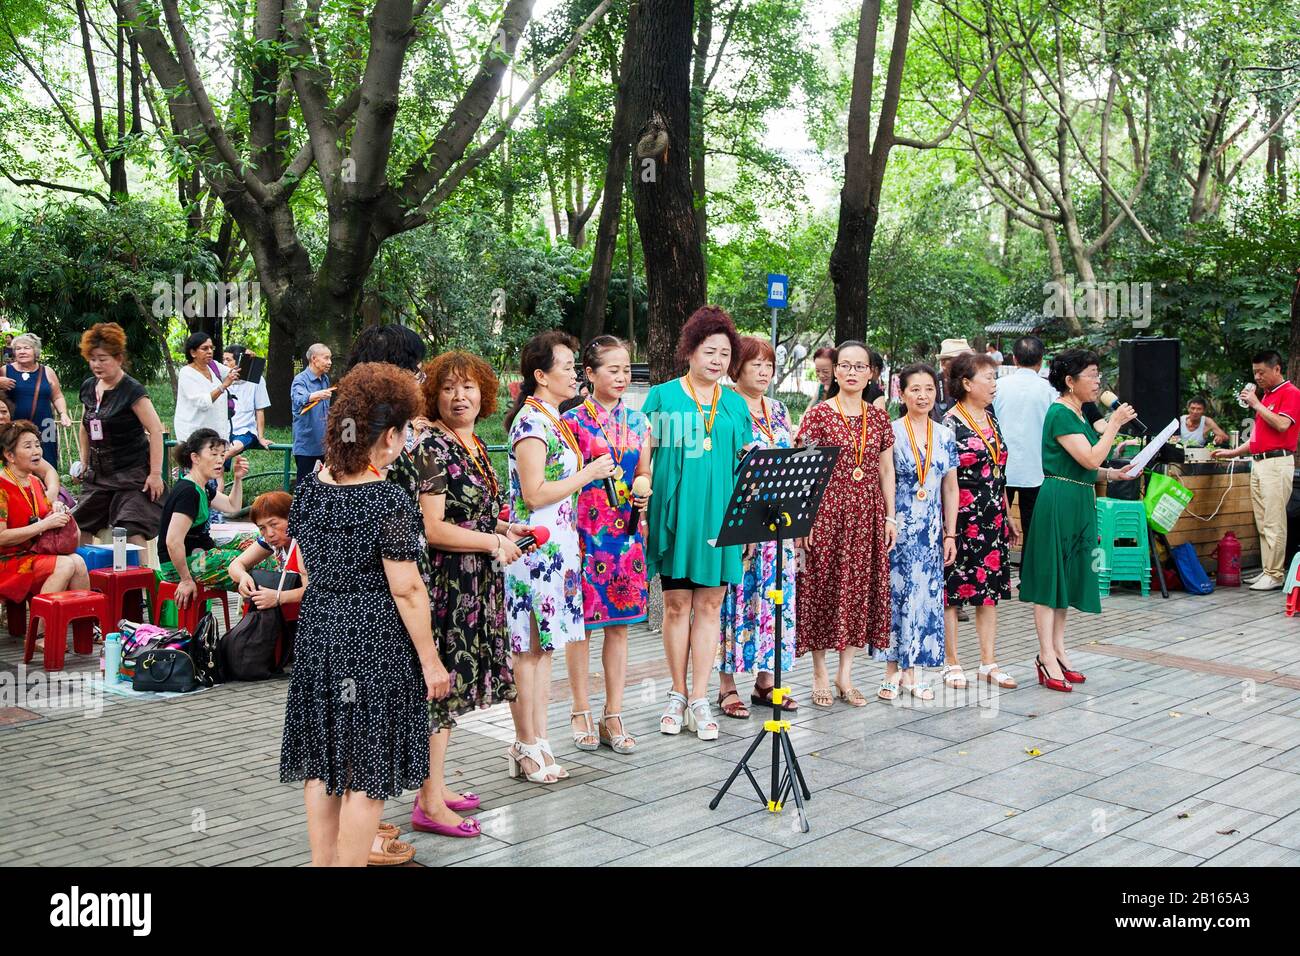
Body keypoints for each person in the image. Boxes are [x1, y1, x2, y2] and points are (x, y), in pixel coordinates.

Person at [280, 362, 447, 867]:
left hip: (318, 634)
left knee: (324, 760)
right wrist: (432, 662)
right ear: (391, 437)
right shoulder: (386, 499)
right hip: (374, 641)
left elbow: (307, 566)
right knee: (366, 772)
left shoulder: (309, 490)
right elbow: (408, 590)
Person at [504, 331, 614, 780]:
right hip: (534, 548)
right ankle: (525, 744)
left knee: (544, 649)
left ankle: (539, 741)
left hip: (559, 547)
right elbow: (532, 494)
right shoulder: (530, 423)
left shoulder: (554, 417)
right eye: (566, 366)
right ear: (540, 375)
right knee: (528, 649)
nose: (574, 374)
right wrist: (587, 474)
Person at [642, 307, 752, 739]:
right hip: (675, 516)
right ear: (690, 350)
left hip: (721, 518)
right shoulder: (662, 398)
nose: (718, 360)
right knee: (676, 605)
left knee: (710, 606)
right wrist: (645, 508)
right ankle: (676, 694)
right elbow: (644, 458)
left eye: (725, 353)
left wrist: (745, 526)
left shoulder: (736, 405)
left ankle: (702, 698)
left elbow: (744, 465)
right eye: (710, 351)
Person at [1019, 349, 1137, 691]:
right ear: (1070, 382)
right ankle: (1045, 654)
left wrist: (1113, 475)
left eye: (1099, 375)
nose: (1098, 381)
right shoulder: (1060, 413)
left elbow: (1086, 465)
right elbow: (1088, 456)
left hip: (1079, 498)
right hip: (1058, 501)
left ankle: (1058, 649)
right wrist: (1114, 425)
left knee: (1067, 578)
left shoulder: (1078, 413)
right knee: (1049, 581)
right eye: (1092, 375)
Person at [794, 340, 896, 707]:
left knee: (859, 589)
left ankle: (846, 674)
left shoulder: (880, 417)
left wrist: (890, 515)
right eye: (845, 366)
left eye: (860, 366)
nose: (852, 372)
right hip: (825, 512)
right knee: (823, 588)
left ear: (871, 373)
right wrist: (802, 520)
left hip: (868, 512)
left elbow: (887, 469)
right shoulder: (818, 415)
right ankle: (819, 672)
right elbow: (802, 470)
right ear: (835, 371)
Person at [563, 336, 651, 753]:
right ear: (590, 373)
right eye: (612, 369)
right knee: (579, 627)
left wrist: (643, 486)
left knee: (619, 628)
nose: (621, 376)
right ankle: (579, 709)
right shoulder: (571, 421)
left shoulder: (640, 422)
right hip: (583, 531)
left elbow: (645, 470)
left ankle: (612, 713)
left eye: (626, 369)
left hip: (627, 533)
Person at [716, 335, 798, 718]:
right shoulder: (725, 406)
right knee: (735, 599)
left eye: (769, 365)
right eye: (756, 364)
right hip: (740, 519)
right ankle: (726, 685)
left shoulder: (779, 409)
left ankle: (767, 681)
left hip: (777, 523)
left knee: (774, 598)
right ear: (738, 368)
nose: (764, 371)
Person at [877, 364, 958, 701]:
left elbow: (950, 488)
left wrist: (950, 534)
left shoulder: (945, 435)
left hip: (931, 530)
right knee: (897, 597)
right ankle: (892, 671)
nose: (922, 395)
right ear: (902, 393)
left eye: (928, 388)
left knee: (925, 600)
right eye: (915, 389)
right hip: (900, 527)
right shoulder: (891, 432)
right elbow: (886, 479)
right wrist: (889, 518)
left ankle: (915, 671)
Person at [941, 351, 1020, 691]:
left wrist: (1007, 514)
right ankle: (951, 661)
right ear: (966, 383)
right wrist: (949, 530)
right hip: (962, 516)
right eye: (988, 378)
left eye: (994, 378)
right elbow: (948, 479)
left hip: (993, 515)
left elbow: (997, 469)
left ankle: (988, 662)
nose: (994, 384)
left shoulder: (992, 418)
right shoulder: (948, 423)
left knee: (988, 591)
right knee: (954, 591)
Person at [1212, 350, 1300, 590]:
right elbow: (1257, 438)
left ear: (1277, 369)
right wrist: (1232, 452)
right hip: (1259, 462)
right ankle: (1267, 570)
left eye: (1262, 372)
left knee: (1274, 520)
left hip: (1277, 462)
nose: (1258, 377)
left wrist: (1257, 404)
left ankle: (1275, 573)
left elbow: (1282, 425)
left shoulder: (1290, 393)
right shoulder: (1268, 396)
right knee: (1262, 521)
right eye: (1255, 373)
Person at [72, 323, 165, 547]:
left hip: (132, 474)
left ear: (119, 358)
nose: (97, 364)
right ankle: (87, 576)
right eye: (93, 359)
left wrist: (155, 474)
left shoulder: (133, 390)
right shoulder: (88, 387)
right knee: (80, 524)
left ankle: (142, 579)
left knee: (131, 526)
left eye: (103, 358)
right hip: (99, 475)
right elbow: (86, 427)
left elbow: (155, 431)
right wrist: (84, 463)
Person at [158, 429, 264, 605]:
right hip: (183, 565)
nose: (220, 460)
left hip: (202, 554)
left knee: (257, 543)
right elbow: (172, 541)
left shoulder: (203, 487)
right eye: (213, 454)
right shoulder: (188, 492)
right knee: (246, 563)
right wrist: (185, 579)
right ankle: (263, 607)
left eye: (222, 455)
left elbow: (232, 506)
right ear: (195, 457)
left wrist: (238, 479)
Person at [0, 421, 89, 616]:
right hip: (7, 560)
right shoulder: (1, 487)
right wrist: (44, 523)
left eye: (37, 444)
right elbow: (2, 537)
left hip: (34, 553)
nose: (36, 451)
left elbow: (42, 514)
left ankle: (84, 625)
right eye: (28, 446)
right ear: (10, 456)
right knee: (65, 564)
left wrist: (57, 509)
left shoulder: (35, 482)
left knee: (78, 561)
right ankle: (40, 633)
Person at [229, 491, 308, 666]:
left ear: (292, 518)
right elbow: (235, 565)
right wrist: (243, 577)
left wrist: (278, 597)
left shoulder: (302, 542)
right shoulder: (271, 542)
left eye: (274, 524)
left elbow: (312, 591)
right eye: (262, 528)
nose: (269, 533)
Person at [993, 335, 1056, 551]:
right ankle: (1030, 580)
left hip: (1000, 468)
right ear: (1041, 361)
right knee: (1035, 531)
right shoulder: (1050, 391)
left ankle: (997, 575)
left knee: (997, 525)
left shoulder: (997, 387)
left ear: (1014, 358)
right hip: (1036, 469)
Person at [0, 333, 72, 467]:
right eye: (18, 348)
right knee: (16, 458)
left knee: (48, 456)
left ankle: (48, 486)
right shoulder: (5, 370)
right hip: (16, 425)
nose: (22, 351)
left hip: (46, 423)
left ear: (36, 351)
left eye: (26, 348)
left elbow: (57, 396)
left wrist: (63, 414)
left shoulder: (47, 371)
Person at [174, 332, 237, 441]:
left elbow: (236, 375)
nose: (209, 351)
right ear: (193, 353)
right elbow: (202, 402)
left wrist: (247, 360)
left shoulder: (213, 366)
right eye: (205, 348)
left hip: (218, 435)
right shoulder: (186, 373)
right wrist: (223, 386)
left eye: (211, 348)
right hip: (194, 437)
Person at [0, 399, 60, 502]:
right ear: (9, 455)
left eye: (4, 412)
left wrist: (51, 493)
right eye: (28, 446)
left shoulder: (19, 439)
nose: (1, 416)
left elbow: (48, 471)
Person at [290, 344, 332, 486]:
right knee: (305, 488)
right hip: (307, 447)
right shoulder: (300, 380)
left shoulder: (325, 379)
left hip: (324, 445)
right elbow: (299, 399)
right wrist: (316, 395)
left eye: (330, 358)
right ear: (314, 359)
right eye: (326, 358)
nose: (329, 362)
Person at [222, 345, 271, 459]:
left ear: (239, 361)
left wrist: (261, 437)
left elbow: (260, 410)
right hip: (223, 430)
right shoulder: (221, 377)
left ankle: (212, 464)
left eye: (228, 360)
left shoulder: (256, 379)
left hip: (245, 430)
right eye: (223, 360)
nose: (224, 363)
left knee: (231, 449)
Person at [931, 338, 972, 423]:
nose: (964, 365)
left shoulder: (974, 384)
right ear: (943, 363)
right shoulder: (932, 384)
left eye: (967, 361)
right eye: (958, 361)